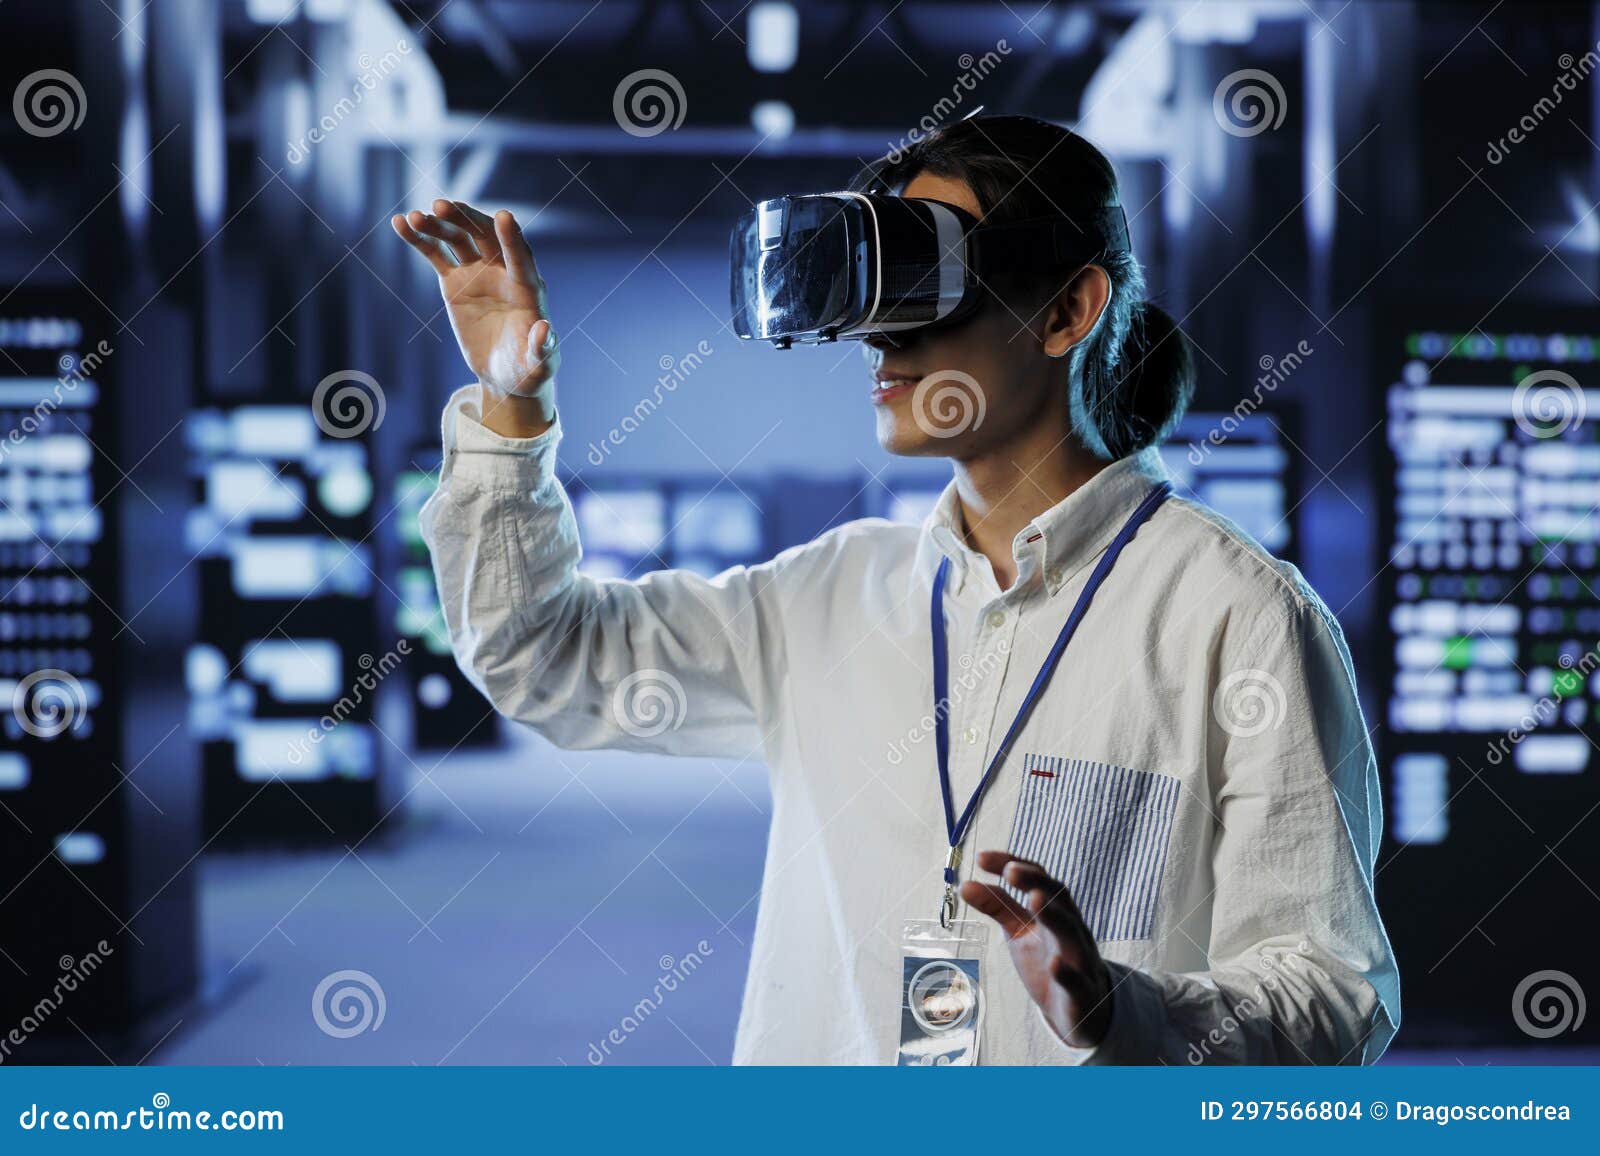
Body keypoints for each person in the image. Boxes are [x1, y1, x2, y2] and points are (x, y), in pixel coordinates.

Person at [392, 114, 1400, 1065]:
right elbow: (543, 656)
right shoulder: (831, 590)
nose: (881, 335)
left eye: (924, 272)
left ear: (1065, 311)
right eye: (874, 289)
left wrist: (1120, 1009)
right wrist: (510, 411)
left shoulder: (1235, 617)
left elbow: (1332, 992)